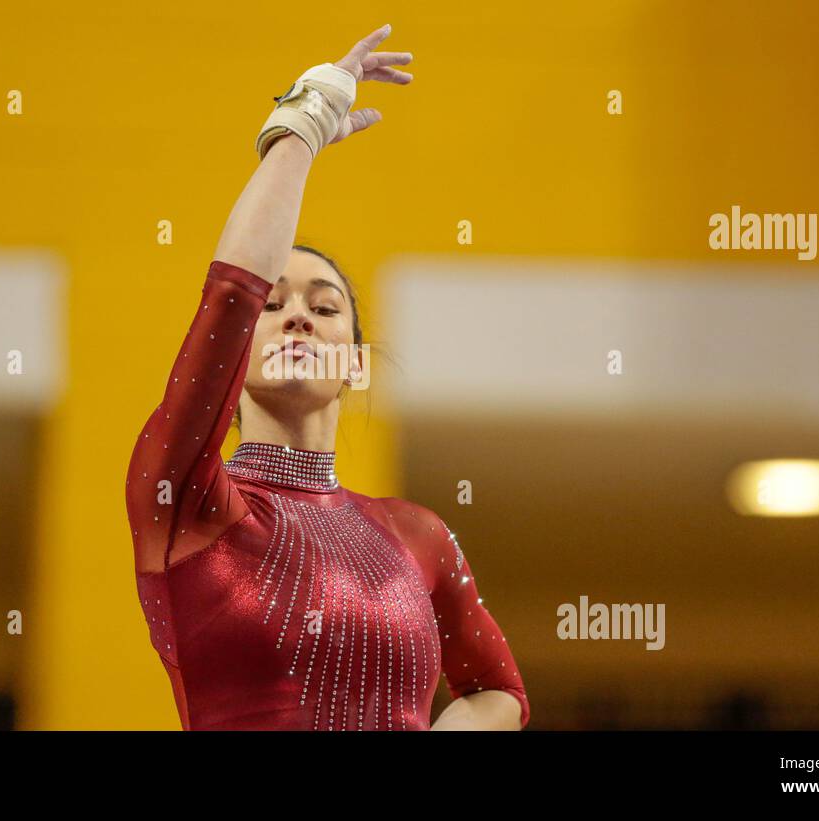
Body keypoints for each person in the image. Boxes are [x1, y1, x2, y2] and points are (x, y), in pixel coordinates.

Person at [125, 24, 529, 730]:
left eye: (324, 306)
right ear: (232, 357)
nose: (299, 319)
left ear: (357, 363)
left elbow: (499, 691)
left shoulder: (417, 534)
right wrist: (302, 125)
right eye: (274, 305)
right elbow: (228, 296)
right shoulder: (187, 495)